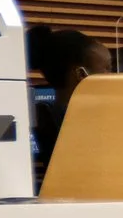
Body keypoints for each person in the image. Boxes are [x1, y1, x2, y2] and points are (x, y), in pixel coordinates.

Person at [27, 27, 113, 174]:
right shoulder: (84, 124)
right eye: (107, 68)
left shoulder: (58, 117)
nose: (113, 76)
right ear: (81, 74)